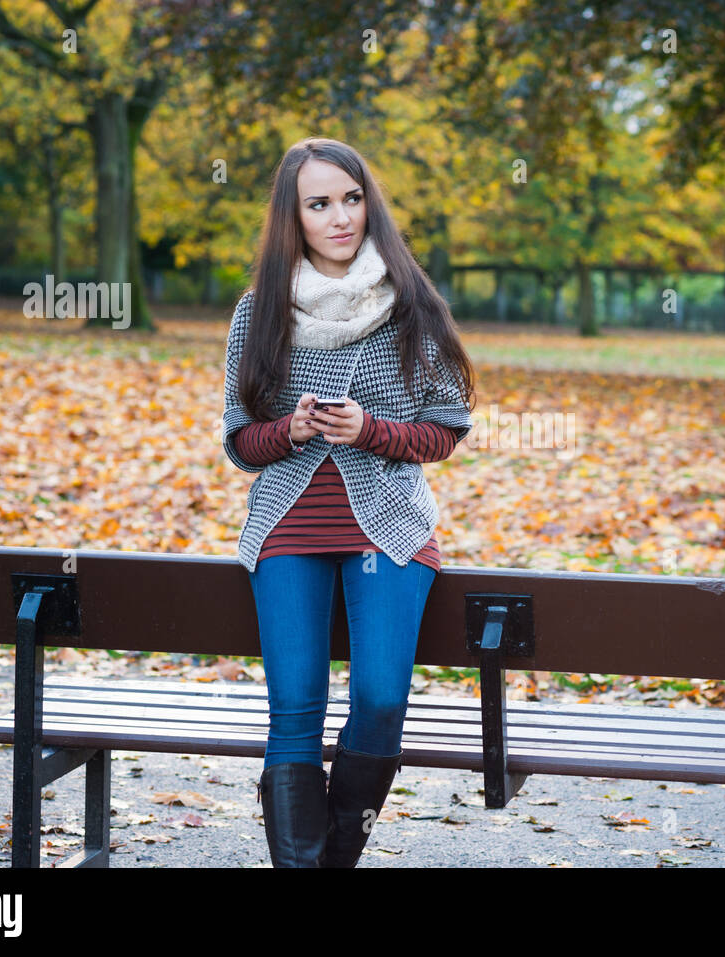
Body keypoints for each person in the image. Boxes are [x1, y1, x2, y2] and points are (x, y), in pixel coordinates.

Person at [221, 137, 477, 867]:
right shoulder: (258, 313)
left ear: (371, 204)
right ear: (293, 217)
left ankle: (326, 861)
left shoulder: (412, 306)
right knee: (295, 707)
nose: (341, 216)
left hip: (389, 530)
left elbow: (444, 429)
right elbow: (242, 443)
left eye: (352, 198)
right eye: (320, 203)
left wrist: (374, 431)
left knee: (381, 700)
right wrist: (291, 429)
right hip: (288, 529)